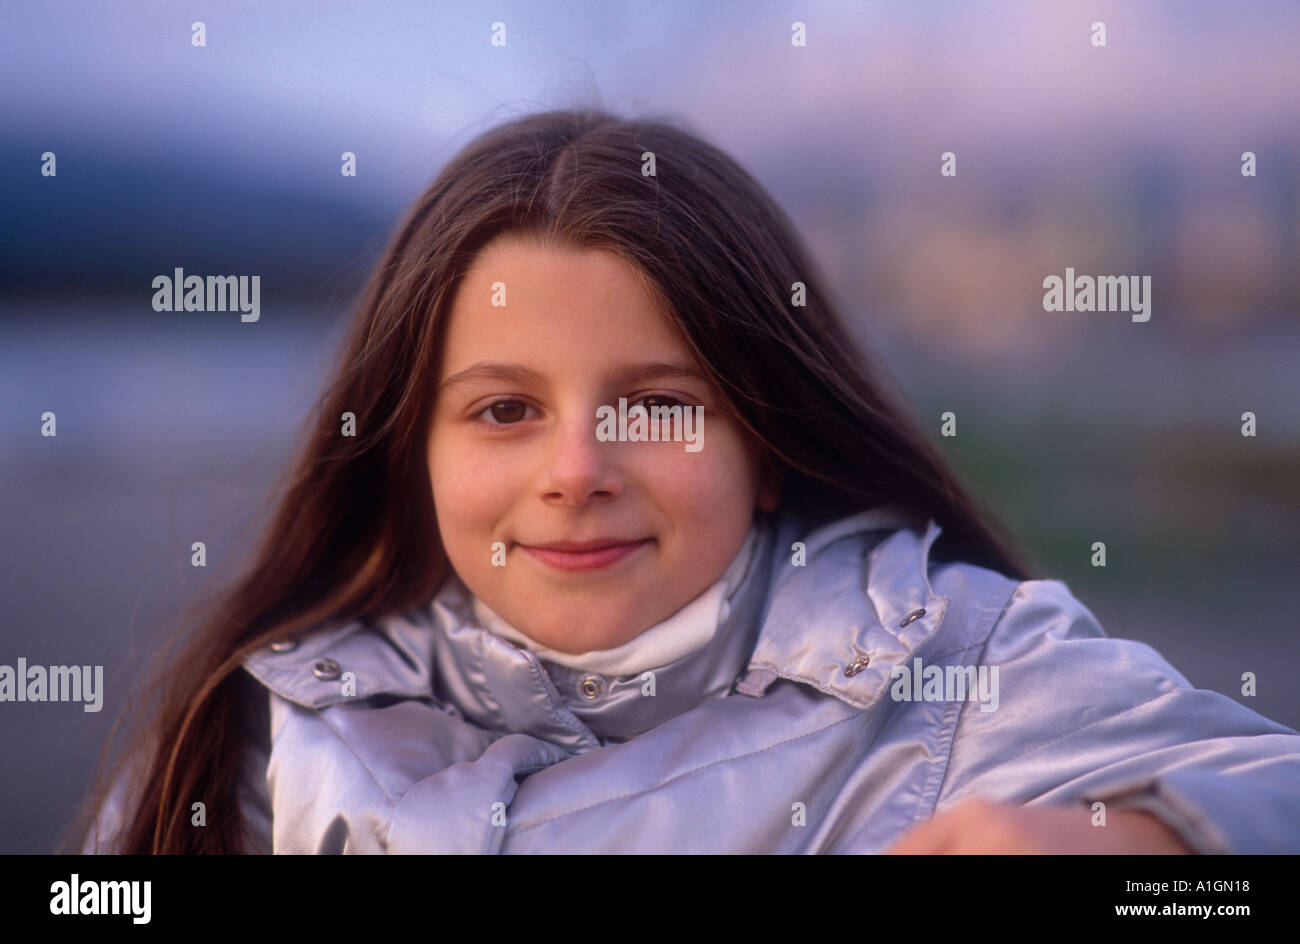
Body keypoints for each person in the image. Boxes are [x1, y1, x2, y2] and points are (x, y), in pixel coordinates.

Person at [75, 108, 1300, 854]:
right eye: (504, 409)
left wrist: (1136, 841)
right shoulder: (269, 722)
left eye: (658, 405)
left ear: (766, 442)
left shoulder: (964, 668)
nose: (574, 471)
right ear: (415, 450)